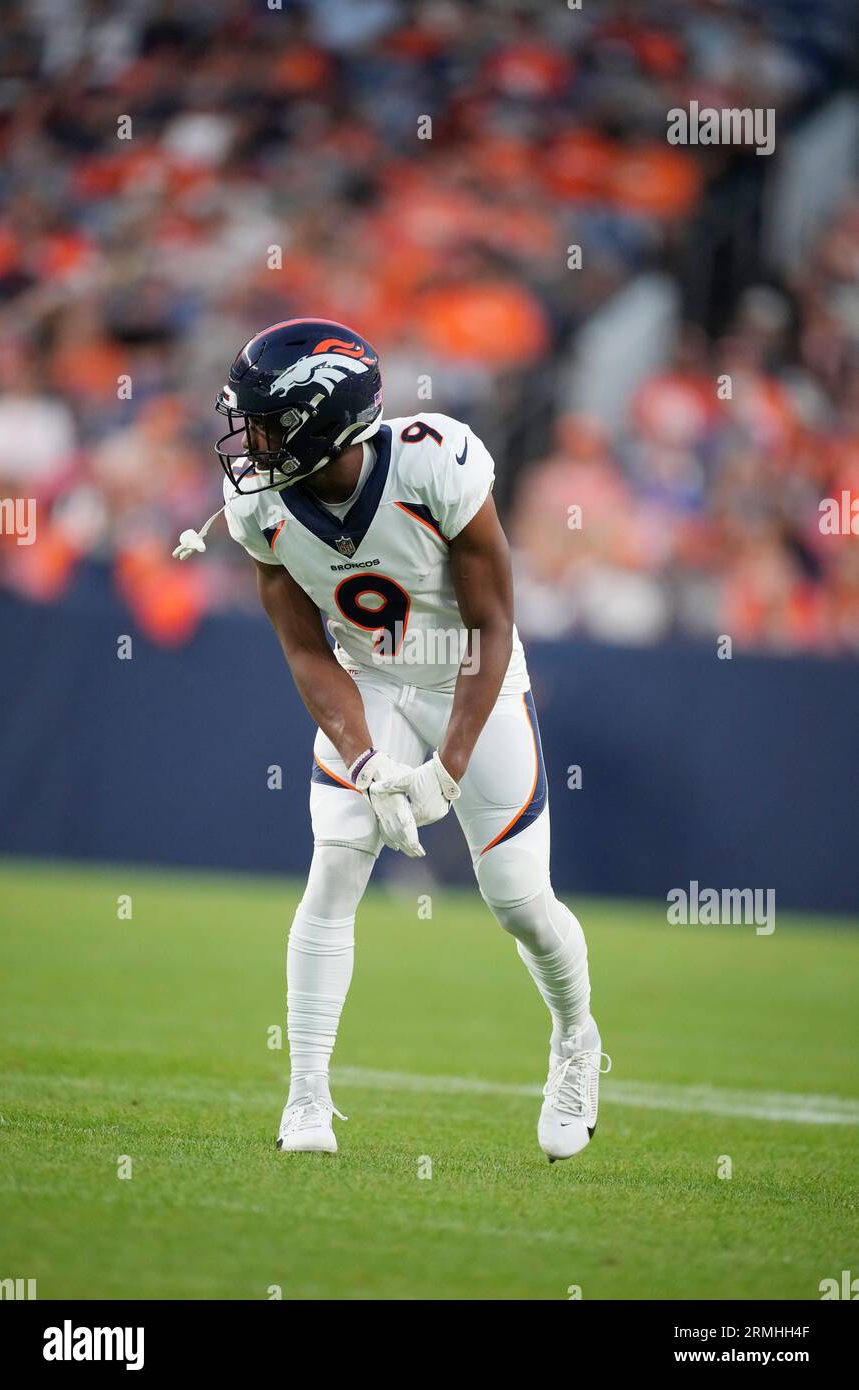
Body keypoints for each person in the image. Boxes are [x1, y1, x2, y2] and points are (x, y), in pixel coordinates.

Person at [175, 317, 610, 1161]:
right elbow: (305, 645)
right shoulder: (260, 506)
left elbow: (491, 622)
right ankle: (305, 1098)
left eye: (264, 422)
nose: (247, 441)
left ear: (318, 422)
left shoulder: (433, 463)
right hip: (370, 677)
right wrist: (370, 764)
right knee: (335, 863)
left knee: (518, 897)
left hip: (469, 674)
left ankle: (576, 1037)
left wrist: (446, 773)